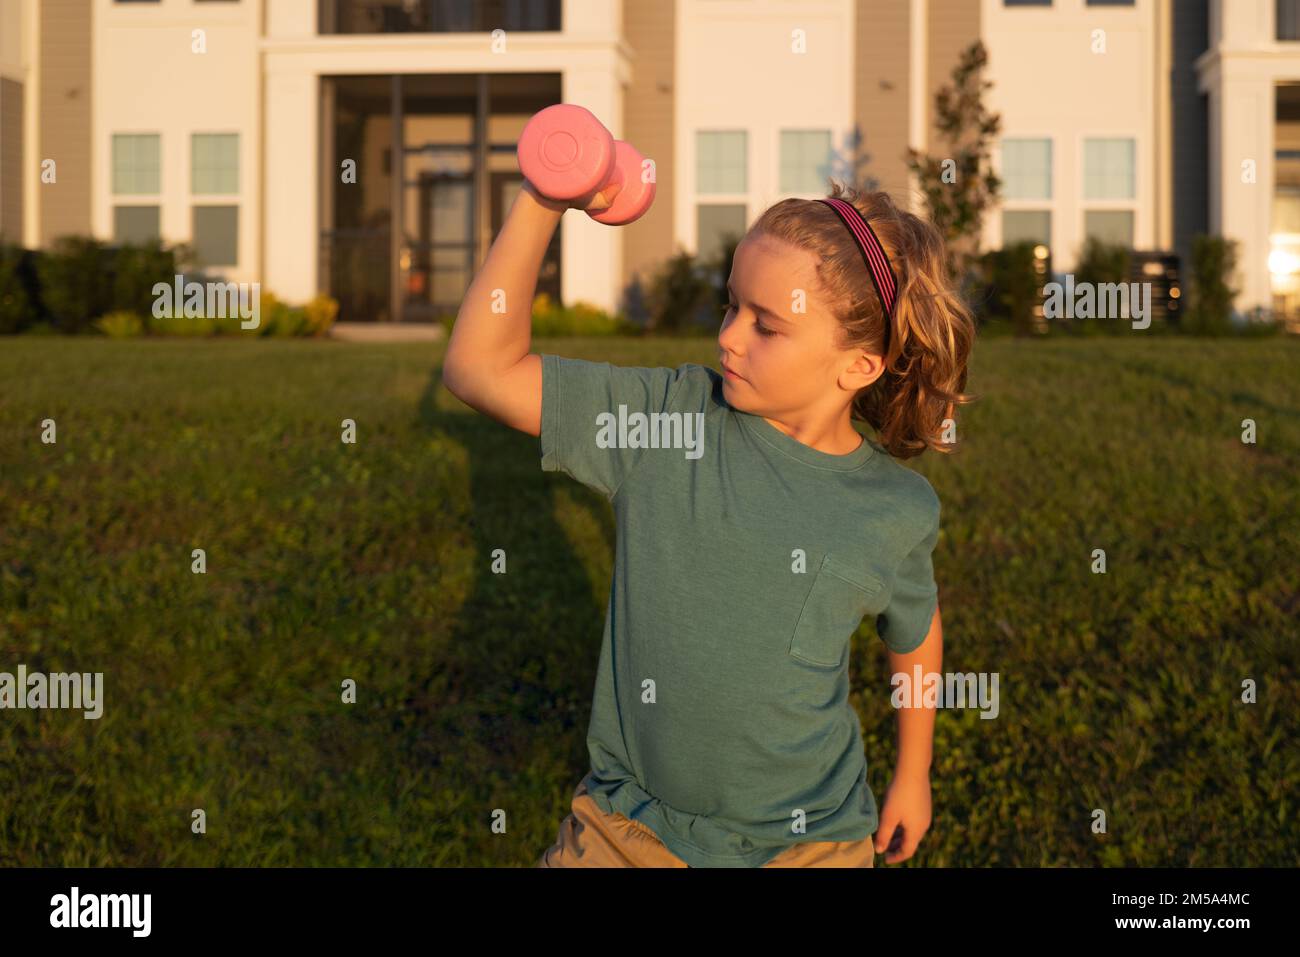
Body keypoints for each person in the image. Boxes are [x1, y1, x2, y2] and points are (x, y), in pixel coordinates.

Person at [442, 175, 975, 868]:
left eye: (766, 323)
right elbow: (479, 369)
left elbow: (916, 628)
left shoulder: (894, 509)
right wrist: (543, 199)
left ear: (858, 366)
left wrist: (914, 772)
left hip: (811, 843)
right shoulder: (667, 421)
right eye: (730, 306)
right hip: (630, 826)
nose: (728, 337)